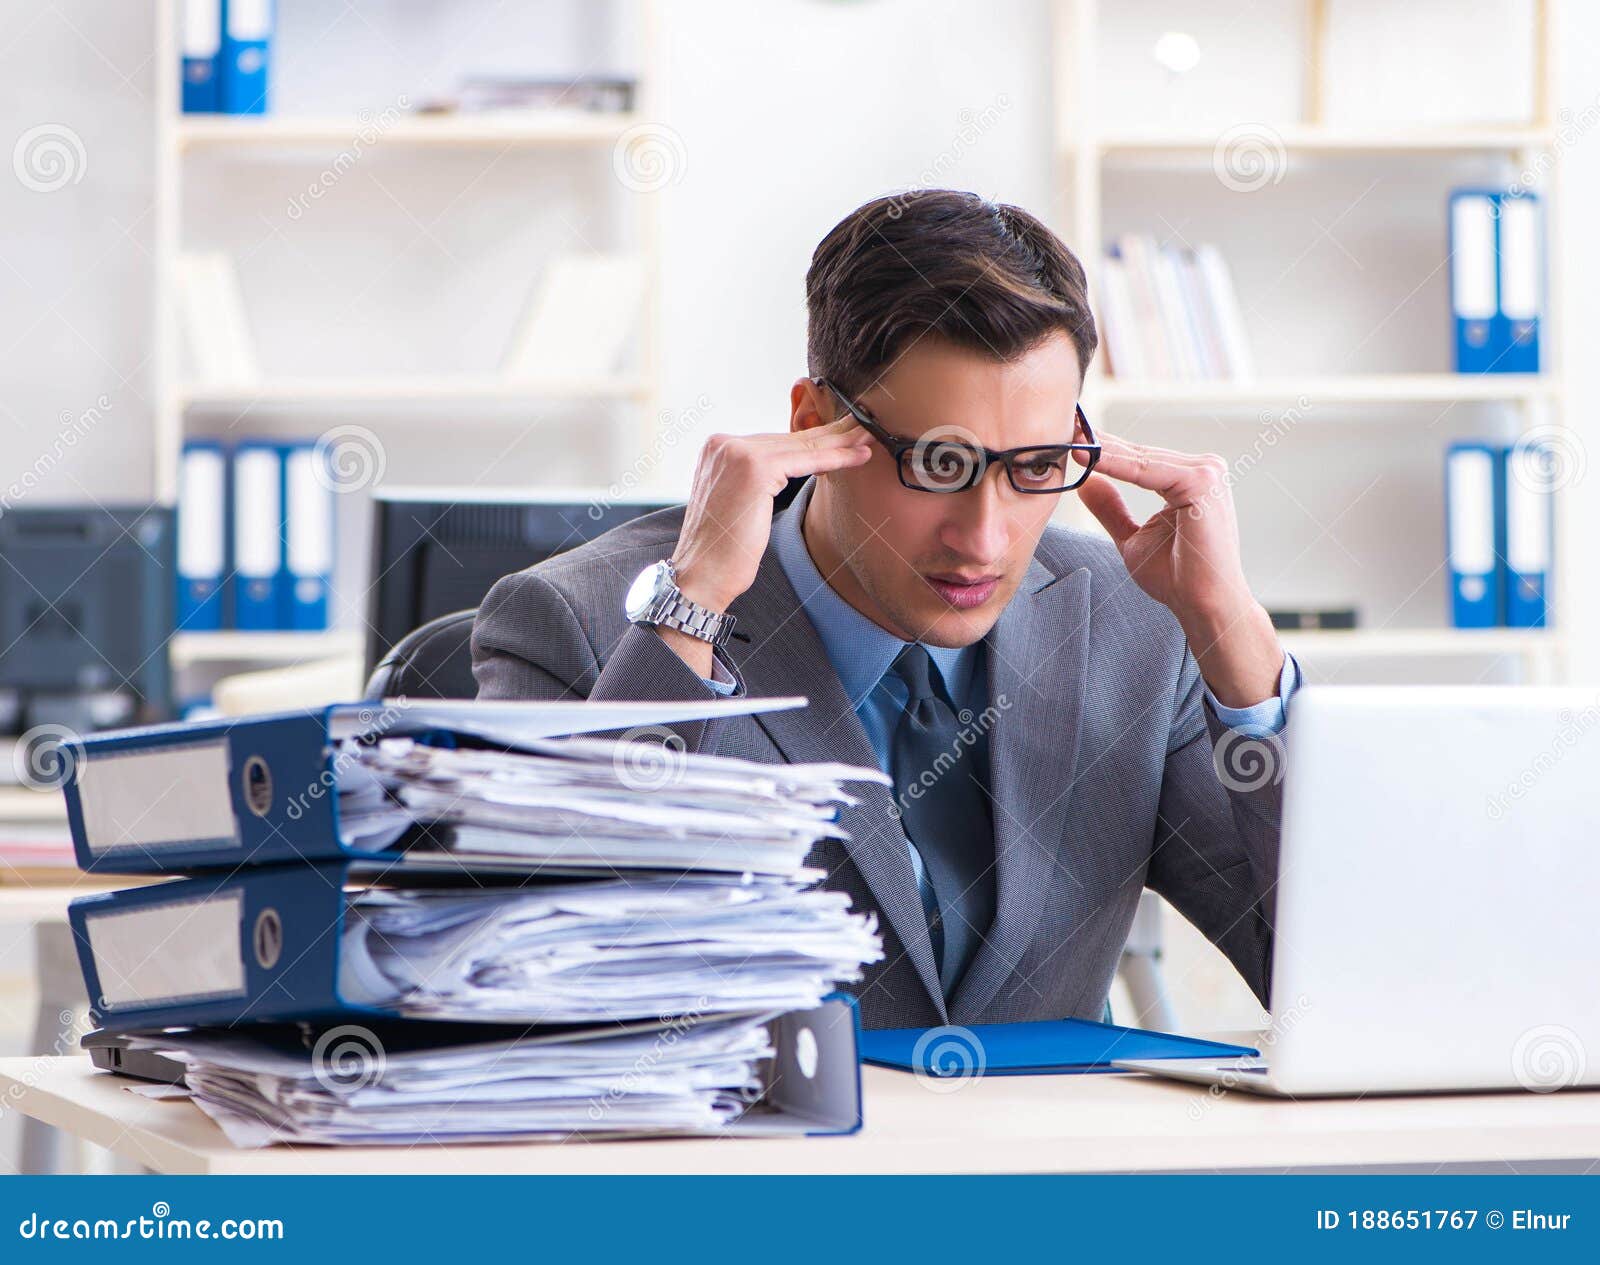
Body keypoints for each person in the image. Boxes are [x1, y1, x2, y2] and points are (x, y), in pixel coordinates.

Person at [473, 190, 1298, 1029]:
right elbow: (527, 1000)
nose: (985, 538)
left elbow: (1328, 974)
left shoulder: (1136, 624)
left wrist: (1232, 634)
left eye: (1038, 464)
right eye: (941, 464)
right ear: (815, 423)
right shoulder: (580, 622)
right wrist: (692, 610)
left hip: (1045, 1158)